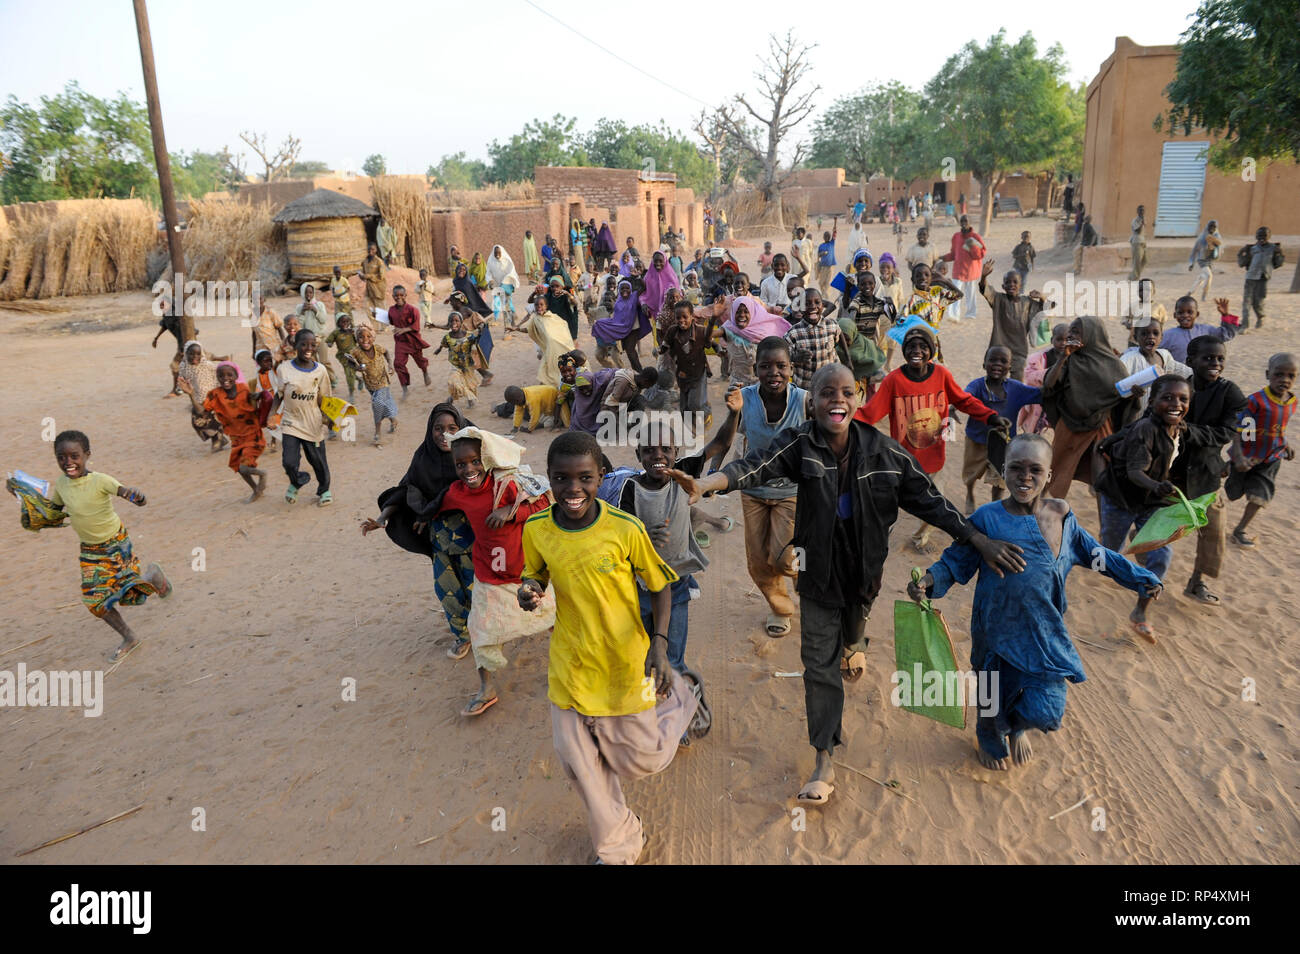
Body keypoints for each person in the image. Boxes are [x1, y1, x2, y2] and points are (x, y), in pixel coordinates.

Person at [669, 362, 1025, 804]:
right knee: (819, 665)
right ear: (812, 401)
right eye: (825, 393)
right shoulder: (800, 443)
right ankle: (824, 756)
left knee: (852, 636)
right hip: (816, 575)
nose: (835, 400)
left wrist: (980, 541)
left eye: (844, 393)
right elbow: (754, 466)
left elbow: (933, 504)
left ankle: (855, 642)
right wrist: (706, 485)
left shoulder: (886, 453)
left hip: (865, 576)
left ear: (857, 397)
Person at [909, 433, 1162, 770]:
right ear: (1003, 471)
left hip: (1044, 629)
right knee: (990, 691)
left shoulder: (1062, 517)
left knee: (1047, 707)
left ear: (1050, 474)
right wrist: (929, 580)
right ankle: (989, 738)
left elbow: (1096, 554)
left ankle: (1017, 728)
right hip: (995, 627)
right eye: (1016, 468)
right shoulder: (987, 519)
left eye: (1034, 469)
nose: (1025, 477)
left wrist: (1138, 577)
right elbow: (957, 561)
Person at [519, 430, 705, 865]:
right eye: (561, 479)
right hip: (571, 664)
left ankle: (682, 695)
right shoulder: (537, 529)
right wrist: (529, 589)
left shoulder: (624, 529)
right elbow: (536, 572)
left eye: (584, 478)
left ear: (600, 476)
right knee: (578, 762)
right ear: (549, 479)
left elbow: (660, 585)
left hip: (624, 661)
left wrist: (659, 645)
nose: (572, 489)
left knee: (642, 758)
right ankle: (618, 845)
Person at [603, 406, 739, 684]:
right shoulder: (630, 488)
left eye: (666, 449)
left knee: (672, 656)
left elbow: (722, 443)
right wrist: (642, 539)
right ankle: (651, 706)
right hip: (640, 586)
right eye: (649, 450)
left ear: (676, 453)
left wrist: (733, 412)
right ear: (638, 455)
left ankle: (678, 714)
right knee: (644, 651)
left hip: (676, 582)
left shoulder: (684, 472)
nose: (658, 455)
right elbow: (620, 537)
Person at [859, 326, 1007, 550]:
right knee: (887, 505)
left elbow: (964, 401)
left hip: (934, 457)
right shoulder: (893, 380)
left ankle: (919, 539)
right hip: (903, 460)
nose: (916, 351)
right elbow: (870, 412)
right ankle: (876, 538)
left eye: (922, 346)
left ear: (932, 351)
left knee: (935, 504)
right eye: (910, 347)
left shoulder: (941, 375)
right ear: (904, 351)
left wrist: (991, 417)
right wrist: (842, 422)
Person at [440, 431, 555, 717]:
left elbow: (543, 503)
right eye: (461, 464)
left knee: (555, 620)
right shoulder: (457, 493)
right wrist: (388, 519)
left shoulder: (507, 485)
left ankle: (572, 668)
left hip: (528, 572)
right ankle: (486, 689)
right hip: (489, 575)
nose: (469, 470)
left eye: (475, 461)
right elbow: (430, 507)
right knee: (480, 631)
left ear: (487, 459)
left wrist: (510, 512)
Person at [35, 430, 173, 662]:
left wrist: (137, 497)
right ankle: (129, 637)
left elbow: (132, 497)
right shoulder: (61, 484)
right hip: (90, 551)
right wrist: (25, 497)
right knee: (94, 601)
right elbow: (53, 513)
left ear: (87, 455)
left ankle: (152, 576)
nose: (68, 462)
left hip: (116, 543)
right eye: (61, 457)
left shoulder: (101, 481)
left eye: (74, 456)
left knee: (127, 588)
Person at [364, 403, 477, 659]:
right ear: (430, 430)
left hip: (475, 541)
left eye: (451, 428)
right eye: (438, 428)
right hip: (441, 540)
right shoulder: (423, 457)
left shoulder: (475, 457)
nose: (443, 434)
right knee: (447, 590)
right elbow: (407, 488)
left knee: (476, 590)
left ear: (462, 429)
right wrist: (382, 518)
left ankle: (486, 633)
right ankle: (462, 636)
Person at [1093, 375, 1192, 642]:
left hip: (1150, 502)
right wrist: (1157, 485)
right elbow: (1135, 472)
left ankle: (1140, 612)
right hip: (1121, 498)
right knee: (1109, 553)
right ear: (1154, 401)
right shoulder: (1146, 429)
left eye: (1183, 399)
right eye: (1168, 397)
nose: (1176, 404)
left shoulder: (1179, 428)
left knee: (1162, 555)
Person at [1172, 335, 1246, 607]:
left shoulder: (1231, 393)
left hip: (1207, 474)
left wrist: (1192, 431)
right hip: (1173, 472)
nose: (1215, 363)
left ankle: (1197, 581)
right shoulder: (1179, 388)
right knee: (1157, 526)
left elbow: (1230, 430)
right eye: (1208, 358)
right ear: (1190, 361)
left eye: (1220, 358)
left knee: (1213, 531)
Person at [1041, 317, 1136, 501]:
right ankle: (1040, 513)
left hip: (1101, 425)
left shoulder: (1114, 363)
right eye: (1070, 331)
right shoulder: (1070, 359)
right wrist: (1063, 356)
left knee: (1102, 477)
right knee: (1055, 471)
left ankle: (1105, 525)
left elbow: (1121, 397)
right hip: (1070, 425)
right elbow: (1049, 385)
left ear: (1093, 334)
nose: (1071, 335)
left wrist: (1134, 395)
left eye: (1076, 331)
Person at [1228, 352, 1297, 546]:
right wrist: (1239, 455)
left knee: (1260, 496)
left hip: (1272, 457)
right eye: (1279, 374)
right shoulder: (1256, 401)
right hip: (1247, 456)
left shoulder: (1292, 402)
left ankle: (1240, 529)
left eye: (1291, 376)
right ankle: (1228, 467)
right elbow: (1240, 429)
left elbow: (1278, 427)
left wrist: (1285, 444)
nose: (1284, 380)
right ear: (1268, 374)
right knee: (1233, 492)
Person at [961, 346, 1041, 513]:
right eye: (993, 360)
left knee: (1001, 478)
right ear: (984, 364)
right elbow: (965, 398)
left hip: (1004, 442)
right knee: (970, 474)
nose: (997, 364)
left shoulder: (1016, 388)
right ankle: (970, 493)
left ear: (1010, 367)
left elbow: (1040, 394)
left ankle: (995, 504)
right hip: (977, 440)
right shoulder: (977, 386)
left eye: (1003, 361)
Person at [179, 361, 267, 501]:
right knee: (238, 467)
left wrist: (256, 397)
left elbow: (258, 401)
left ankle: (262, 474)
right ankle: (256, 490)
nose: (226, 378)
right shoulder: (215, 395)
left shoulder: (244, 389)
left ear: (236, 375)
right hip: (236, 438)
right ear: (217, 378)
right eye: (221, 375)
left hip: (253, 435)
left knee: (244, 467)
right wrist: (191, 394)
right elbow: (202, 412)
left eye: (229, 375)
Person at [270, 329, 335, 506]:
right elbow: (279, 395)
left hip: (312, 423)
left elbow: (325, 398)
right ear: (294, 345)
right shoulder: (284, 369)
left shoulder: (320, 371)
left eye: (312, 345)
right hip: (291, 422)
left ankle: (324, 489)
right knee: (289, 462)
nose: (308, 348)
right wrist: (272, 414)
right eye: (303, 344)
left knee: (318, 461)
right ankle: (296, 481)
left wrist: (329, 419)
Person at [978, 260, 1047, 381]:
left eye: (1015, 282)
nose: (1011, 285)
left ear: (1020, 286)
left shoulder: (1027, 303)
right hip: (999, 347)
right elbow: (985, 289)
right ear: (1003, 286)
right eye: (1008, 282)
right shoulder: (998, 299)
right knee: (997, 380)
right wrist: (983, 276)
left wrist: (1042, 297)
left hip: (1019, 350)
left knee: (1017, 382)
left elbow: (1045, 308)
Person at [1121, 317, 1192, 413]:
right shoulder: (1129, 359)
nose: (1151, 337)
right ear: (1135, 337)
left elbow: (1185, 372)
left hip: (1162, 414)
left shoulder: (1165, 355)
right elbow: (1119, 385)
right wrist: (1131, 391)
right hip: (1137, 416)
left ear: (1161, 337)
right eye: (1144, 333)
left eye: (1155, 333)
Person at [659, 300, 715, 421]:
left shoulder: (700, 331)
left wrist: (720, 350)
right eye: (678, 317)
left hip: (698, 372)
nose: (681, 320)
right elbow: (666, 343)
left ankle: (706, 411)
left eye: (685, 317)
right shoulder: (672, 331)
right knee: (684, 408)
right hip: (682, 372)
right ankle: (690, 428)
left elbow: (711, 342)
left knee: (695, 404)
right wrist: (662, 350)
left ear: (692, 316)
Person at [344, 324, 398, 447]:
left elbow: (387, 352)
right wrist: (357, 367)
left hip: (383, 380)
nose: (365, 339)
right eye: (361, 337)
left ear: (373, 338)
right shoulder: (356, 351)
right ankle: (393, 419)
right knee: (384, 402)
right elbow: (349, 362)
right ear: (356, 339)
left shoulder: (378, 348)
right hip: (370, 384)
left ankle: (377, 433)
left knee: (377, 405)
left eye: (368, 336)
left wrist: (390, 365)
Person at [177, 341, 230, 453]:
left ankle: (217, 440)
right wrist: (182, 388)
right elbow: (181, 380)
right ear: (186, 353)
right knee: (197, 423)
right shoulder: (183, 366)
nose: (195, 357)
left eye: (198, 354)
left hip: (213, 397)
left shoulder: (207, 365)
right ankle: (219, 439)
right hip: (197, 399)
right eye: (192, 354)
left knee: (214, 419)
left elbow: (221, 373)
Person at [785, 289, 842, 390]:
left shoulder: (832, 325)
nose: (813, 306)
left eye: (817, 302)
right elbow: (784, 357)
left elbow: (837, 344)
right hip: (805, 387)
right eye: (807, 304)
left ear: (822, 305)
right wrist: (795, 357)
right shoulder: (793, 333)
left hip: (830, 383)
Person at [1020, 323, 1068, 435]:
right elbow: (1030, 376)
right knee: (1034, 430)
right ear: (1052, 340)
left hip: (1062, 399)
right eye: (1059, 339)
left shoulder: (1073, 358)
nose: (1063, 343)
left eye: (1067, 340)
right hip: (1043, 400)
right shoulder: (1040, 358)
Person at [1160, 296, 1237, 365]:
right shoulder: (1168, 335)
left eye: (1190, 312)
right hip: (1180, 376)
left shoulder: (1206, 330)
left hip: (1203, 375)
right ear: (1175, 315)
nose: (1185, 315)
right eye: (1180, 312)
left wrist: (1225, 315)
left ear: (1197, 314)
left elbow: (1228, 334)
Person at [1237, 227, 1286, 331]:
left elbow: (1278, 263)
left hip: (1263, 278)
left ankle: (1261, 316)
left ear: (1268, 237)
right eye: (1259, 237)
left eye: (1264, 237)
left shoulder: (1273, 248)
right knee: (1246, 302)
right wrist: (1241, 253)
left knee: (1258, 302)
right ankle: (1245, 325)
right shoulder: (1252, 248)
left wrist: (1279, 254)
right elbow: (1242, 263)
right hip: (1250, 277)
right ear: (1256, 237)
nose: (1261, 239)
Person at [387, 285, 431, 399]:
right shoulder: (391, 310)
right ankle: (405, 388)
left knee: (420, 360)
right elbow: (391, 321)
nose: (399, 297)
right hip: (400, 342)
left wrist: (403, 329)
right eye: (396, 296)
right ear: (393, 296)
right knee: (398, 364)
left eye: (401, 295)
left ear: (405, 295)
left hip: (413, 340)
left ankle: (425, 371)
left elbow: (416, 325)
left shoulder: (413, 310)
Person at [940, 215, 986, 322]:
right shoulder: (956, 236)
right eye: (962, 221)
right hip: (958, 270)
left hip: (971, 270)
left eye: (966, 221)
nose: (964, 223)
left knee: (971, 293)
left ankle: (971, 313)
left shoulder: (975, 237)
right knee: (955, 292)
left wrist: (972, 246)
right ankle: (953, 315)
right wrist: (943, 258)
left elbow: (980, 255)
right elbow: (953, 254)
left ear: (970, 222)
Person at [434, 312, 483, 408]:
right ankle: (453, 398)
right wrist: (438, 349)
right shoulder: (447, 337)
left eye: (456, 320)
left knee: (469, 385)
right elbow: (443, 344)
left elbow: (477, 340)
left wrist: (481, 331)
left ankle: (454, 399)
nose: (454, 323)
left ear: (461, 322)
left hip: (468, 365)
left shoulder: (469, 336)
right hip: (455, 365)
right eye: (451, 321)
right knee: (454, 382)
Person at [295, 283, 337, 389]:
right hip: (307, 339)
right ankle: (318, 383)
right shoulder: (299, 307)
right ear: (302, 293)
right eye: (306, 292)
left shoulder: (319, 305)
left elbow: (323, 319)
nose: (309, 295)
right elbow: (299, 324)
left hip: (320, 336)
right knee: (313, 362)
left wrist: (315, 310)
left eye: (311, 292)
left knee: (324, 361)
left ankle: (332, 379)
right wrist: (303, 312)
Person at [325, 313, 360, 399]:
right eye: (342, 322)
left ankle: (359, 379)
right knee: (349, 374)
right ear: (338, 323)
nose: (345, 324)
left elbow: (360, 340)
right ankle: (351, 392)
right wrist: (330, 344)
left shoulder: (352, 331)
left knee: (352, 372)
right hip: (344, 357)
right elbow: (329, 341)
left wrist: (355, 333)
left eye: (347, 322)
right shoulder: (335, 333)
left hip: (355, 355)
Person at [485, 244, 519, 327]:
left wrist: (506, 283)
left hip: (506, 284)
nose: (497, 254)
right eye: (495, 252)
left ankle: (511, 321)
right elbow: (488, 273)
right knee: (496, 301)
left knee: (507, 303)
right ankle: (496, 318)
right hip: (496, 285)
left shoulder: (507, 261)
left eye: (498, 252)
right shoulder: (491, 261)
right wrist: (490, 281)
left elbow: (512, 272)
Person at [1188, 220, 1221, 301]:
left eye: (1214, 227)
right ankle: (1204, 296)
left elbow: (1219, 250)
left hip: (1210, 261)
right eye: (1211, 227)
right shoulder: (1202, 238)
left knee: (1202, 277)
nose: (1212, 229)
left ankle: (1190, 292)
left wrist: (1215, 247)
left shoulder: (1217, 236)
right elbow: (1194, 251)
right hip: (1202, 260)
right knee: (1209, 276)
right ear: (1208, 227)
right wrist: (1191, 263)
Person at [250, 292, 285, 361]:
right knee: (262, 368)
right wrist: (254, 351)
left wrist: (284, 344)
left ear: (264, 299)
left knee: (275, 366)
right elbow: (254, 333)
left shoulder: (271, 312)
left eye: (260, 299)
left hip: (274, 346)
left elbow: (279, 328)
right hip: (260, 348)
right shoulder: (251, 315)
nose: (257, 301)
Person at [357, 243, 387, 320]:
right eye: (369, 249)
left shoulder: (379, 261)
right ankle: (376, 325)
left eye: (372, 249)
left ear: (376, 250)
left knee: (379, 306)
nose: (370, 251)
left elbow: (381, 276)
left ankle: (383, 326)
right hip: (369, 288)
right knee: (368, 307)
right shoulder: (365, 261)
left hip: (378, 288)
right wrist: (361, 275)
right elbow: (363, 273)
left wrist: (369, 276)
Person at [1129, 205, 1147, 282]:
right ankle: (1135, 277)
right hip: (1136, 242)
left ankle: (1133, 275)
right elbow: (1137, 231)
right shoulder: (1135, 220)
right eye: (1140, 210)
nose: (1142, 212)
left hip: (1142, 242)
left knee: (1145, 260)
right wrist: (1141, 223)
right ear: (1137, 211)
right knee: (1137, 261)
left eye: (1143, 210)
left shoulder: (1143, 219)